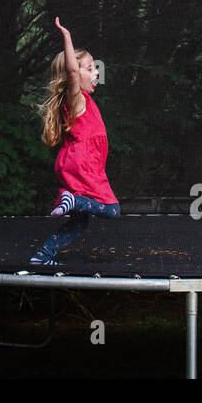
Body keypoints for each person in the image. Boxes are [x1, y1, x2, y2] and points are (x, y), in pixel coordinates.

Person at [30, 18, 120, 265]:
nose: (97, 73)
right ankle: (75, 200)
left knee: (80, 221)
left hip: (75, 162)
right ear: (75, 74)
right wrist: (66, 37)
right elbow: (70, 71)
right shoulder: (77, 99)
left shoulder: (84, 102)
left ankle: (42, 256)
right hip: (83, 163)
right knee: (113, 211)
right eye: (90, 68)